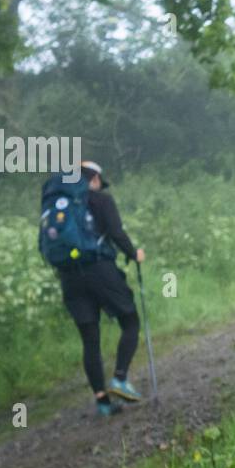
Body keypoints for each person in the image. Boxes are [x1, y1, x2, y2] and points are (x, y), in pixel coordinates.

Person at [47, 161, 146, 417]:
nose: (100, 186)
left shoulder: (59, 203)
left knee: (90, 339)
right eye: (99, 181)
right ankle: (120, 379)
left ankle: (102, 402)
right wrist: (134, 254)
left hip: (69, 276)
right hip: (99, 269)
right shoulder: (101, 201)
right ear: (93, 180)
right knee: (130, 321)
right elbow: (115, 232)